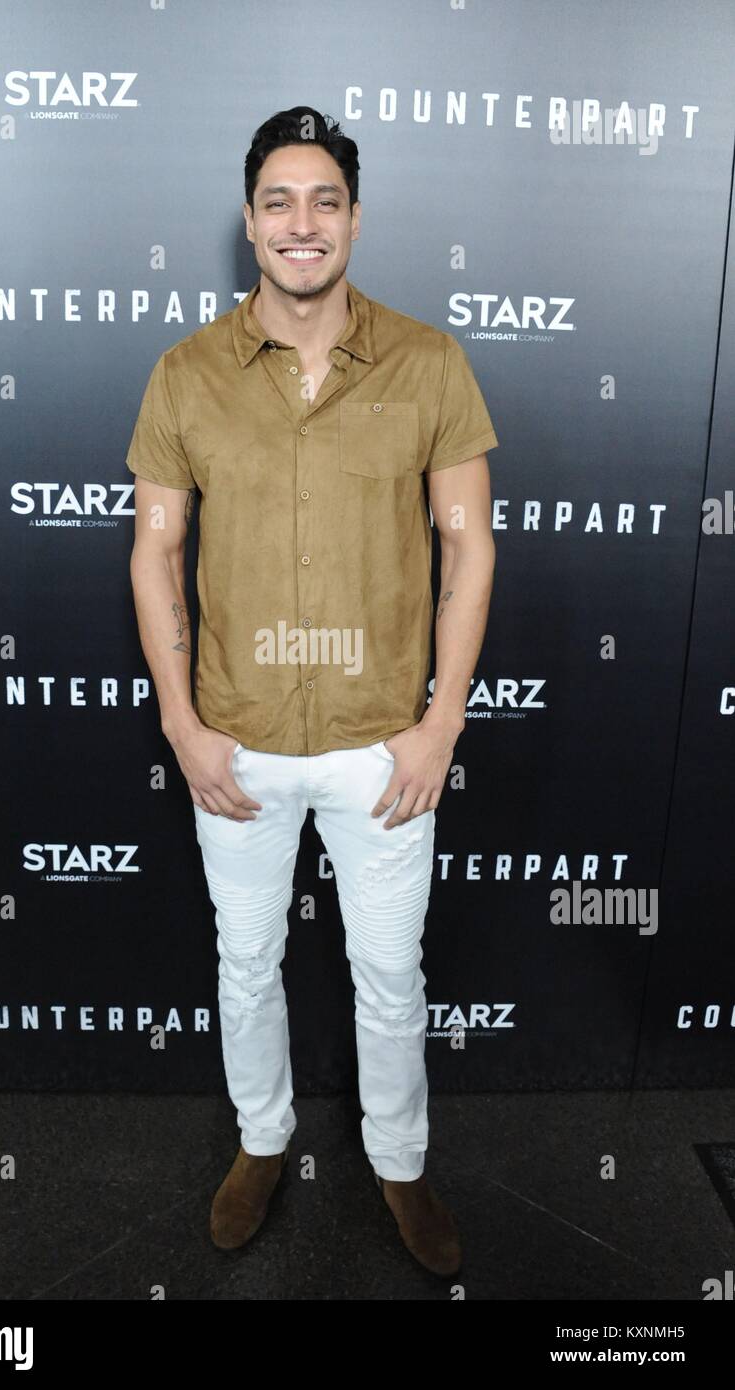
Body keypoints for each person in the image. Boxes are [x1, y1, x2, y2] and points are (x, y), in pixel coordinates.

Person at [125, 106, 499, 1277]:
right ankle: (261, 1141)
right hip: (235, 739)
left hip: (380, 744)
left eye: (323, 199)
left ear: (352, 218)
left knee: (389, 975)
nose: (302, 222)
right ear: (248, 224)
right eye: (279, 201)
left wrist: (439, 723)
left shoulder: (429, 360)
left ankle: (399, 1162)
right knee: (246, 963)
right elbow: (154, 550)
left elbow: (469, 543)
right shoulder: (185, 374)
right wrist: (183, 725)